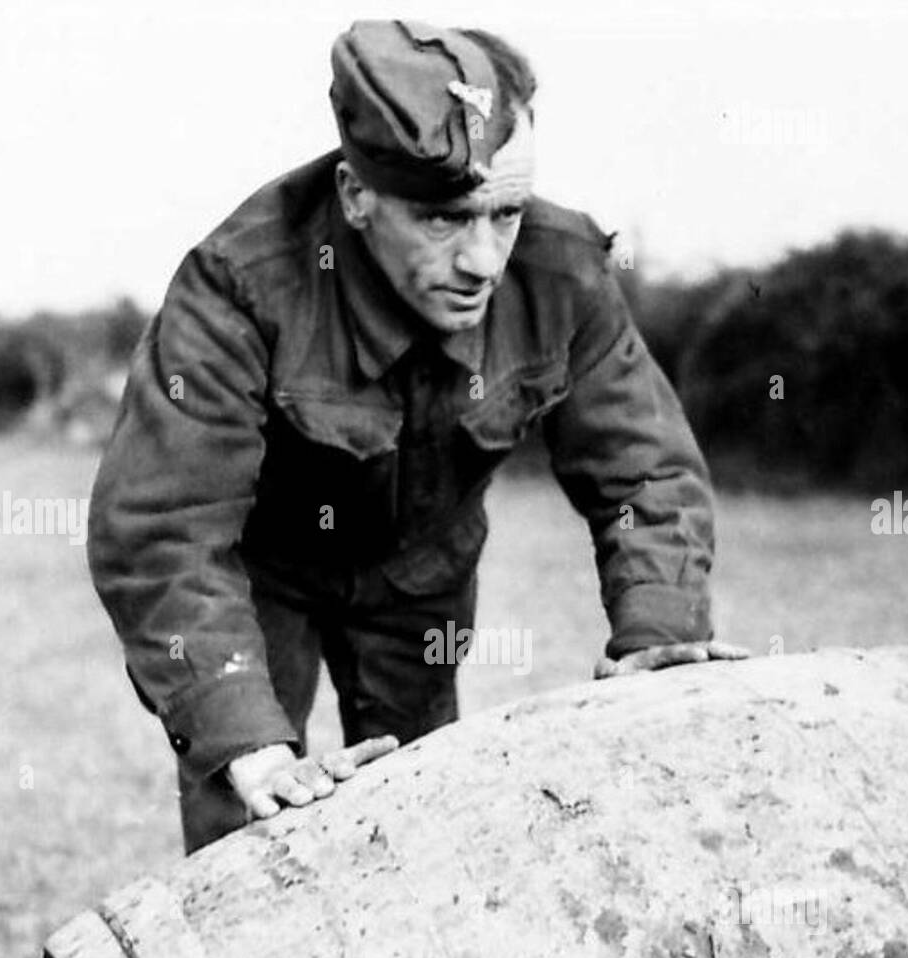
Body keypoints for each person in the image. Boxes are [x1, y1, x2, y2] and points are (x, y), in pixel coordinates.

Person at [87, 18, 746, 856]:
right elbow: (163, 526)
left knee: (426, 830)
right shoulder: (240, 284)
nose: (484, 260)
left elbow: (644, 472)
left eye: (505, 213)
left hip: (420, 577)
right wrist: (244, 740)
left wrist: (661, 631)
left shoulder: (563, 269)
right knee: (246, 823)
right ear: (356, 196)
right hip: (263, 576)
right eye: (443, 220)